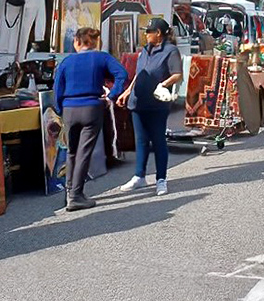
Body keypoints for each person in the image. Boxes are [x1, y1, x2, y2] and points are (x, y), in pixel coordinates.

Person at [53, 27, 128, 211]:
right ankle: (76, 195)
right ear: (94, 42)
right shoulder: (101, 57)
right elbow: (122, 74)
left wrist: (60, 108)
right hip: (91, 107)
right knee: (84, 152)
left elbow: (57, 88)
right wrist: (112, 95)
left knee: (71, 152)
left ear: (77, 41)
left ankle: (70, 192)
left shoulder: (66, 61)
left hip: (69, 108)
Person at [117, 17, 183, 196]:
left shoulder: (170, 51)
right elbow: (139, 74)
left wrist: (163, 84)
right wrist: (127, 92)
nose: (145, 35)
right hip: (138, 102)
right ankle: (139, 176)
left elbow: (177, 74)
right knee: (141, 140)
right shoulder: (144, 50)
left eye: (148, 32)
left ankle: (161, 179)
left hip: (157, 104)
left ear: (158, 34)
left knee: (158, 140)